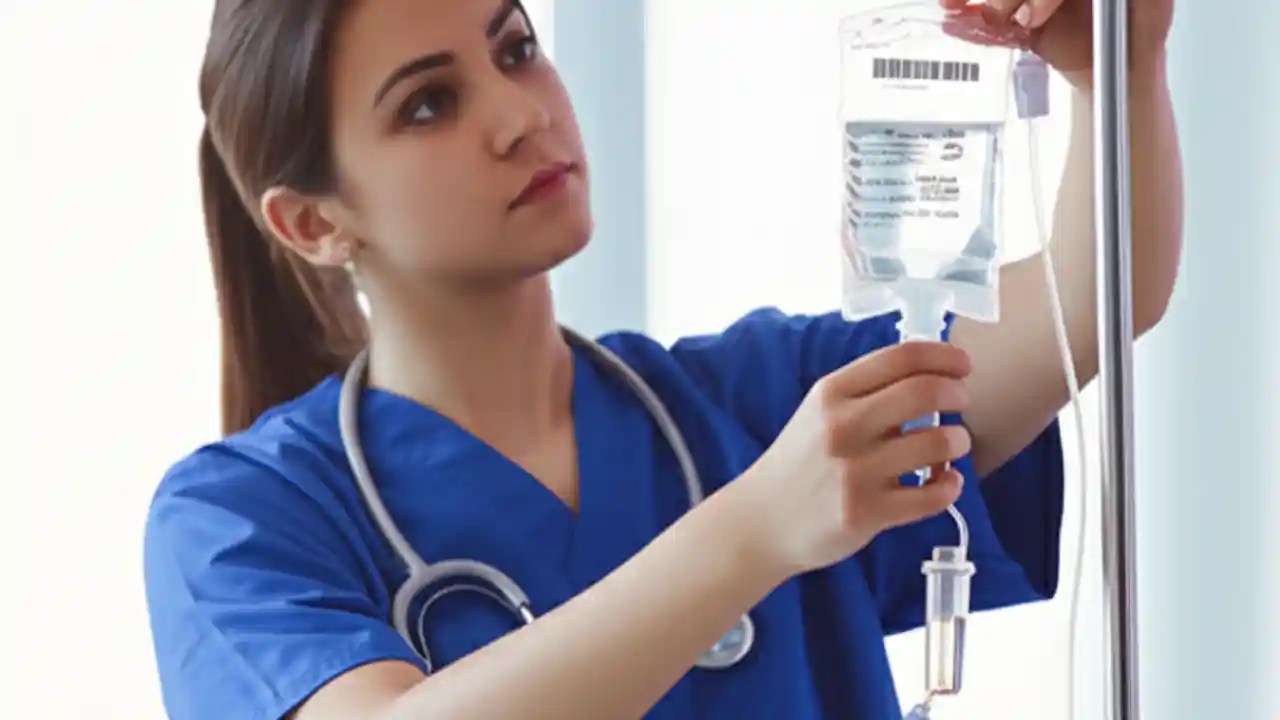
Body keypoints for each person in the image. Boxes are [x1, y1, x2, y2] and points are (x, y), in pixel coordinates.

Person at [142, 0, 1181, 718]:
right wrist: (753, 532)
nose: (519, 115)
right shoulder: (242, 520)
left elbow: (1086, 301)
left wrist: (1115, 72)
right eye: (427, 103)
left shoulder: (758, 400)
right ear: (312, 222)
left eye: (513, 49)